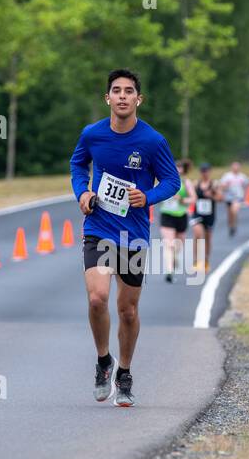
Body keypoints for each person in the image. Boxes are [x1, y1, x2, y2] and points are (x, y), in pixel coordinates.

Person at [71, 68, 179, 408]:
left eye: (128, 91)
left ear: (138, 99)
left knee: (128, 311)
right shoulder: (92, 134)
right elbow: (78, 165)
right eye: (115, 90)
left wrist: (146, 197)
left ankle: (125, 372)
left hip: (132, 235)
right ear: (107, 98)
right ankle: (104, 360)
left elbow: (171, 181)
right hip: (99, 227)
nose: (121, 96)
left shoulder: (152, 141)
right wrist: (82, 193)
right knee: (97, 299)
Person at [157, 159, 193, 282]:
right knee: (169, 243)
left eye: (180, 167)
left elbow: (193, 198)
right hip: (167, 215)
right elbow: (156, 194)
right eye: (175, 167)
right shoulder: (164, 181)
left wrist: (182, 200)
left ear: (183, 170)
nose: (177, 169)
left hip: (181, 215)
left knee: (178, 244)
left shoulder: (186, 182)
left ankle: (174, 258)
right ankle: (169, 271)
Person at [189, 162, 221, 272]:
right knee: (198, 234)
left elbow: (220, 198)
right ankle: (196, 260)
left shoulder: (214, 184)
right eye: (202, 171)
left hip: (209, 215)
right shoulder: (196, 183)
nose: (204, 173)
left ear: (210, 172)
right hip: (197, 214)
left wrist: (212, 195)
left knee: (207, 238)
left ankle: (206, 260)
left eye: (206, 171)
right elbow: (191, 196)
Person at [218, 160, 248, 237]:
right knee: (229, 214)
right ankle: (231, 226)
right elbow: (221, 186)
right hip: (228, 197)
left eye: (237, 166)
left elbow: (245, 186)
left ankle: (234, 225)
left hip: (238, 198)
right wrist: (224, 188)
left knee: (234, 211)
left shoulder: (242, 177)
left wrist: (244, 195)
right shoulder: (227, 176)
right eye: (234, 166)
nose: (236, 168)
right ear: (231, 167)